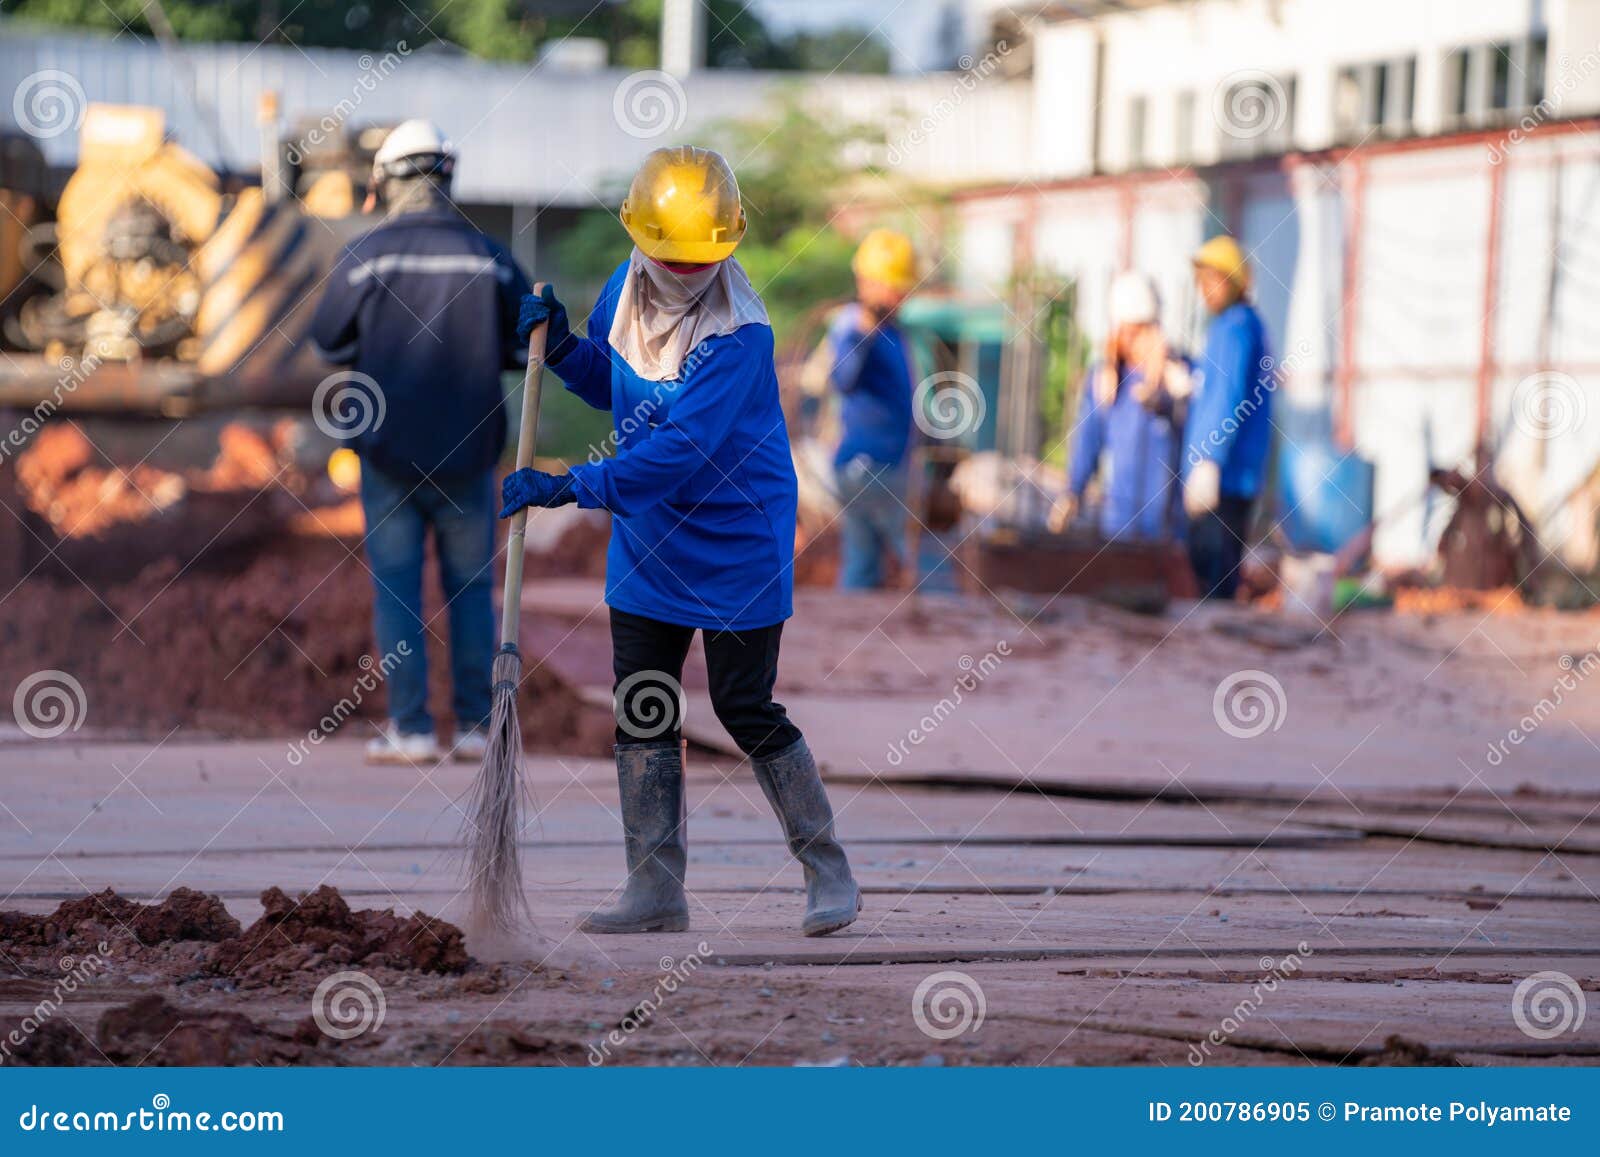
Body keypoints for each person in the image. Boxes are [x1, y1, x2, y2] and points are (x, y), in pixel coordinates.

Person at [498, 145, 861, 938]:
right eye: (670, 254)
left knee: (743, 704)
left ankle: (827, 868)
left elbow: (678, 454)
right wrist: (563, 350)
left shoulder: (740, 335)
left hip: (737, 538)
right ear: (641, 239)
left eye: (703, 257)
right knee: (644, 706)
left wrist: (573, 486)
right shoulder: (623, 292)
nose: (686, 270)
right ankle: (655, 887)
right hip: (652, 541)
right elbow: (617, 386)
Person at [310, 119, 531, 765]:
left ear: (383, 181)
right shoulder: (489, 256)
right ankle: (474, 727)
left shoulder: (366, 255)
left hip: (387, 453)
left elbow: (327, 344)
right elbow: (526, 347)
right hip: (469, 454)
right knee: (471, 593)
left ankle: (409, 728)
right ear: (448, 177)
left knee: (398, 590)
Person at [1053, 272, 1191, 541]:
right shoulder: (1106, 380)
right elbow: (1088, 438)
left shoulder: (1178, 375)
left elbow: (1198, 435)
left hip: (1166, 524)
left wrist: (1174, 403)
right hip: (1119, 522)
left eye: (1137, 332)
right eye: (1125, 332)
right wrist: (1073, 491)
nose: (1130, 341)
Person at [1183, 234, 1274, 599]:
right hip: (1226, 475)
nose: (1206, 289)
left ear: (1235, 284)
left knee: (1214, 578)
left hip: (1226, 479)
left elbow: (1228, 395)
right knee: (1210, 573)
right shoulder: (1232, 326)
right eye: (1202, 281)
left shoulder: (1236, 328)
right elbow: (1214, 385)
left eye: (1214, 281)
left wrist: (1209, 459)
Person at [827, 229, 918, 590]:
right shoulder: (854, 326)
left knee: (865, 565)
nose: (904, 295)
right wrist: (861, 333)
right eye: (898, 287)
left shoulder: (892, 332)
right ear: (872, 283)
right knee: (908, 559)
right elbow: (843, 379)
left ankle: (861, 637)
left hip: (887, 465)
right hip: (866, 468)